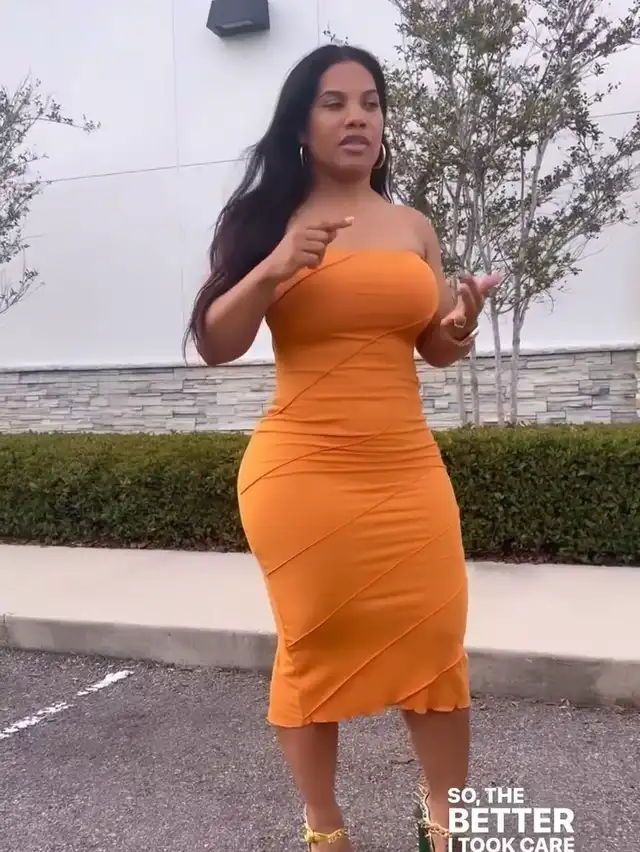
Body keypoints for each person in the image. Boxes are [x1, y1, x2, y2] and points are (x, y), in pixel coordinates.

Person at [186, 43, 501, 852]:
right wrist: (273, 269)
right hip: (303, 478)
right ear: (302, 124)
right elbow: (216, 343)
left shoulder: (413, 226)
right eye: (335, 103)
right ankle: (326, 829)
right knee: (313, 651)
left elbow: (433, 346)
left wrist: (459, 325)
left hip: (407, 473)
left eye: (370, 102)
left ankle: (444, 826)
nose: (358, 117)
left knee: (436, 647)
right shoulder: (264, 221)